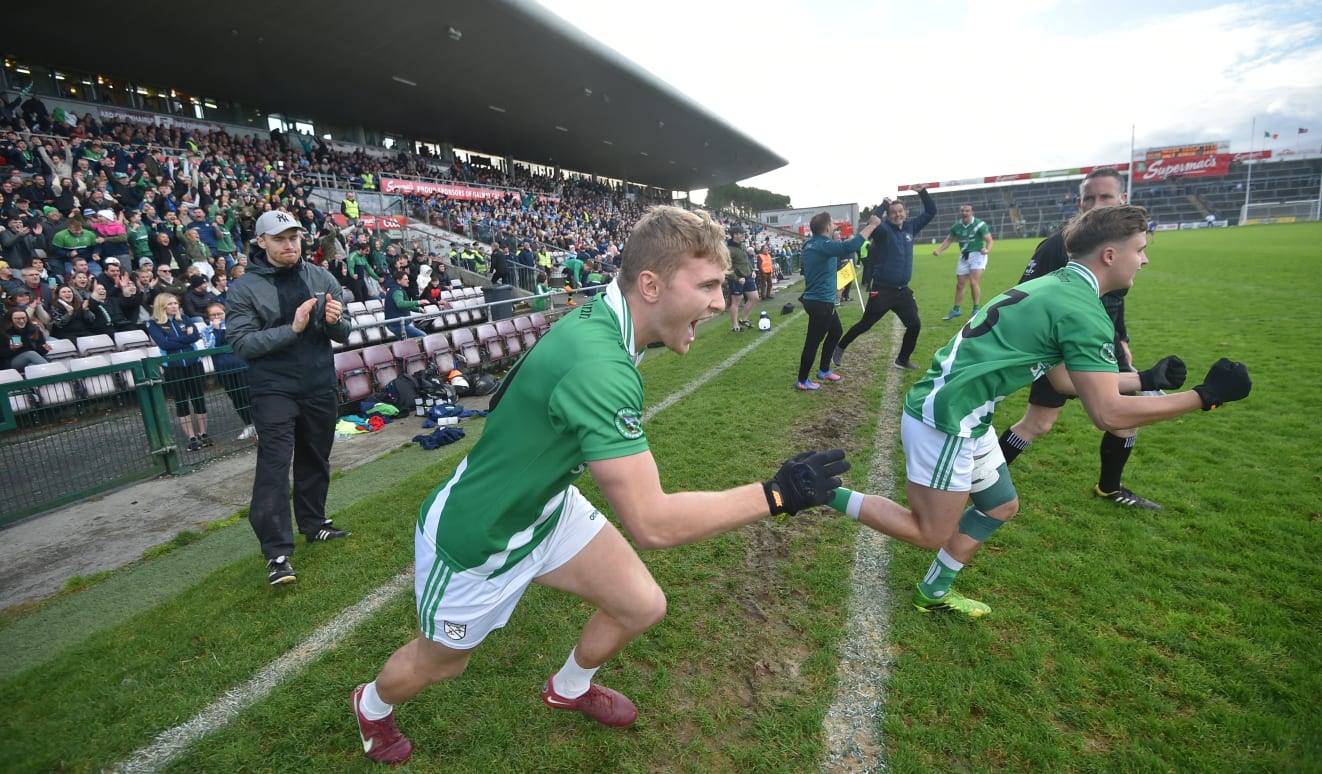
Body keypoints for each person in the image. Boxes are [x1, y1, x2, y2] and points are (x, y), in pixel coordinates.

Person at [350, 205, 851, 765]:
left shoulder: (610, 320)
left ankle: (568, 687)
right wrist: (777, 494)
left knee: (640, 605)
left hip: (545, 507)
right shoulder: (601, 366)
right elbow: (653, 523)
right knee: (442, 662)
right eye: (707, 285)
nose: (719, 301)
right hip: (479, 537)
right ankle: (371, 704)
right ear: (651, 286)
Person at [822, 205, 1251, 617]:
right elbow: (1109, 415)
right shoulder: (1083, 310)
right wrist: (1204, 396)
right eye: (1140, 249)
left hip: (966, 410)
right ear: (1110, 254)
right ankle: (815, 490)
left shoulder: (1059, 285)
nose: (1145, 259)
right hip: (949, 418)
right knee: (928, 531)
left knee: (1000, 505)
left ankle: (932, 592)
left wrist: (1144, 379)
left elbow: (1064, 381)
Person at [999, 168, 1167, 509]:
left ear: (1122, 199)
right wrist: (1050, 361)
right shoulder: (1058, 245)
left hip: (1103, 343)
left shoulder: (1124, 245)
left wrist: (1122, 339)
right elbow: (1024, 298)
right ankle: (979, 479)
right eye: (1088, 198)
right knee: (1039, 422)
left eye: (1105, 197)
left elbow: (1114, 300)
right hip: (1057, 348)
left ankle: (1110, 488)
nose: (1095, 204)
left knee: (1127, 419)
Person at [226, 210, 353, 586]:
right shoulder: (244, 288)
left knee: (316, 456)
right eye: (280, 238)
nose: (289, 244)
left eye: (294, 237)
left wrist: (335, 322)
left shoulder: (321, 277)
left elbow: (344, 332)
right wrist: (292, 329)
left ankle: (314, 524)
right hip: (273, 389)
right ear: (261, 242)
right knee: (275, 465)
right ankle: (277, 553)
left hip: (318, 383)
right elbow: (242, 344)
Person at [831, 185, 937, 370]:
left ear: (905, 212)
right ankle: (839, 347)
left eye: (900, 211)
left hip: (902, 291)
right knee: (865, 324)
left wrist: (922, 192)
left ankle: (902, 359)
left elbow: (931, 211)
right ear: (888, 215)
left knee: (914, 324)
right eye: (893, 212)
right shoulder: (883, 230)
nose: (897, 215)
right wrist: (882, 205)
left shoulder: (910, 227)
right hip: (883, 290)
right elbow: (873, 222)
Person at [795, 212, 882, 391]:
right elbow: (850, 245)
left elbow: (826, 261)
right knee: (813, 341)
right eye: (833, 224)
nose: (835, 226)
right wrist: (872, 225)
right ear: (827, 228)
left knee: (836, 331)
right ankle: (802, 380)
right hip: (821, 302)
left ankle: (824, 370)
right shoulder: (822, 244)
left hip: (818, 301)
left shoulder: (811, 244)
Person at [144, 293, 210, 451]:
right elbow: (164, 344)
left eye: (175, 303)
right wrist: (185, 337)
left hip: (194, 364)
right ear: (162, 306)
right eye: (170, 304)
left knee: (199, 399)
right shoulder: (153, 324)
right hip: (173, 368)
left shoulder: (185, 318)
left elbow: (195, 336)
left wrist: (178, 339)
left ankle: (203, 434)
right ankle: (192, 437)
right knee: (181, 402)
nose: (174, 306)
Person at [201, 302, 255, 440]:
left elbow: (231, 341)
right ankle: (248, 424)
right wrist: (216, 330)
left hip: (241, 365)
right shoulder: (207, 330)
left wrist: (219, 332)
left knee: (248, 395)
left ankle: (260, 424)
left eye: (219, 313)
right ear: (208, 317)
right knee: (236, 398)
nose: (216, 317)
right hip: (223, 369)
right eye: (213, 315)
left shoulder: (233, 326)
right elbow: (211, 347)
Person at [933, 203, 994, 320]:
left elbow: (989, 240)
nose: (964, 213)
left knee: (973, 282)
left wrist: (987, 250)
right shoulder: (956, 226)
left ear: (972, 212)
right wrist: (939, 250)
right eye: (962, 211)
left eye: (967, 211)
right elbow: (949, 240)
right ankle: (956, 310)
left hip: (978, 255)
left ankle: (976, 309)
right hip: (964, 256)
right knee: (960, 284)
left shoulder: (979, 224)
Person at [725, 224, 759, 332]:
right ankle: (735, 326)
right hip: (737, 278)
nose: (743, 235)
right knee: (736, 302)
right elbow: (726, 267)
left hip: (748, 276)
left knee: (754, 297)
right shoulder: (728, 249)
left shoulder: (743, 245)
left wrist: (752, 270)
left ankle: (744, 319)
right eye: (741, 233)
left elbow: (746, 261)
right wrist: (737, 279)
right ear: (735, 235)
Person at [1, 307, 51, 371]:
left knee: (32, 366)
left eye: (23, 318)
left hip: (32, 359)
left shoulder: (34, 329)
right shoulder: (3, 332)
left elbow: (40, 351)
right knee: (30, 354)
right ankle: (53, 372)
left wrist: (44, 349)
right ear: (10, 319)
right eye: (17, 319)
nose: (21, 321)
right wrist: (11, 349)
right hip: (9, 362)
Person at [383, 269, 427, 339]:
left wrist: (418, 309)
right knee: (423, 336)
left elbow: (405, 305)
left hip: (396, 324)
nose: (408, 281)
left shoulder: (397, 289)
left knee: (405, 342)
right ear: (398, 281)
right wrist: (418, 302)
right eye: (405, 279)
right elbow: (400, 304)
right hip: (397, 324)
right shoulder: (397, 290)